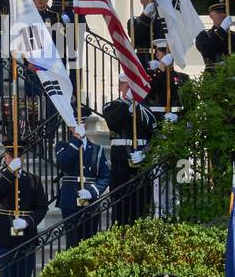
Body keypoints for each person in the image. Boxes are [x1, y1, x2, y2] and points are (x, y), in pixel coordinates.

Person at [104, 73, 157, 225]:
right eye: (127, 85)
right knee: (120, 204)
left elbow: (152, 126)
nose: (130, 89)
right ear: (120, 87)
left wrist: (145, 153)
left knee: (141, 204)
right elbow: (113, 122)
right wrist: (127, 103)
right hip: (120, 161)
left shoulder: (144, 108)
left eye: (133, 86)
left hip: (139, 159)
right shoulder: (111, 106)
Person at [54, 117, 111, 249]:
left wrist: (92, 192)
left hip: (90, 201)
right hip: (70, 199)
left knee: (89, 242)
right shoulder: (62, 146)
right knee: (72, 243)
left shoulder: (97, 149)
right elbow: (64, 162)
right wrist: (76, 140)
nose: (78, 125)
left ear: (85, 125)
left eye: (81, 122)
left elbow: (105, 176)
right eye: (74, 123)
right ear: (69, 127)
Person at [145, 37, 188, 124]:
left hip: (178, 120)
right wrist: (161, 68)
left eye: (158, 51)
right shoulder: (155, 75)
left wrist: (182, 118)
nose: (156, 54)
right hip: (159, 119)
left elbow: (188, 102)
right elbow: (149, 90)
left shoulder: (183, 77)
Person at [194, 0, 234, 68]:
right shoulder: (204, 36)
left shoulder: (233, 35)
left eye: (225, 12)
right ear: (210, 16)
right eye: (219, 12)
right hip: (215, 77)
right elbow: (208, 50)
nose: (223, 15)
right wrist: (222, 30)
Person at [130, 0, 162, 65]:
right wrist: (144, 17)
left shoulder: (162, 20)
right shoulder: (134, 21)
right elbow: (136, 38)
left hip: (160, 59)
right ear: (142, 1)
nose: (151, 2)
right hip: (143, 59)